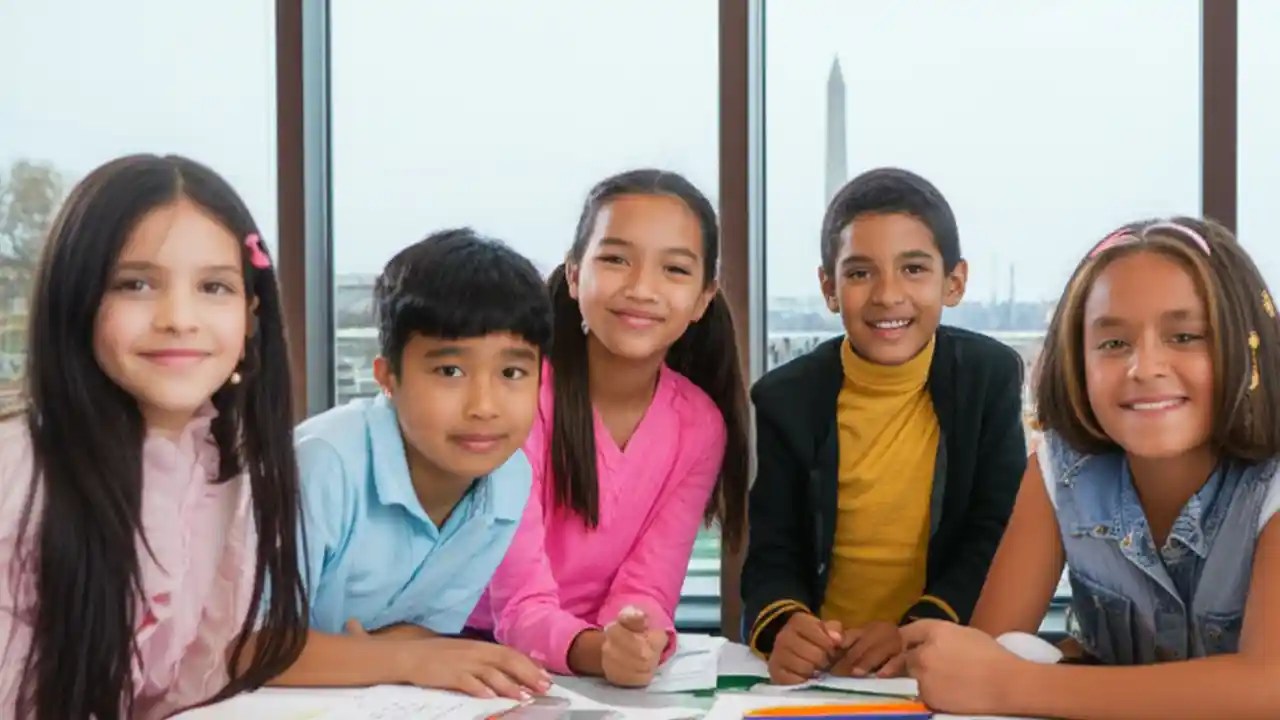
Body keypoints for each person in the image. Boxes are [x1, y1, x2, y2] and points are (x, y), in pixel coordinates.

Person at [902, 218, 1280, 720]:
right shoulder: (1060, 471)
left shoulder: (1270, 485)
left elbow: (1269, 686)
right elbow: (985, 658)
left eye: (1186, 336)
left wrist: (1021, 684)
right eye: (1113, 343)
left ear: (1249, 348)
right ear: (1076, 361)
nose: (1144, 367)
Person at [0, 154, 306, 719]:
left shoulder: (228, 474)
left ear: (251, 313)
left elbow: (184, 697)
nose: (179, 317)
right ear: (77, 301)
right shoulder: (18, 477)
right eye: (136, 283)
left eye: (214, 286)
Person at [743, 168, 1026, 684]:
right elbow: (772, 551)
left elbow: (994, 532)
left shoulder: (989, 378)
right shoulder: (787, 398)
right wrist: (785, 625)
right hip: (825, 667)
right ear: (829, 287)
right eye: (859, 273)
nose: (887, 294)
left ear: (954, 282)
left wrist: (917, 628)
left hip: (939, 651)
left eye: (914, 269)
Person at [471, 169, 750, 687]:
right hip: (470, 653)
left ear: (704, 298)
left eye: (675, 269)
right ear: (575, 275)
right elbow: (518, 607)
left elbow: (648, 586)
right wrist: (599, 652)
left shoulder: (700, 426)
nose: (642, 288)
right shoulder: (518, 396)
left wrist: (635, 638)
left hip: (589, 673)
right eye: (616, 259)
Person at [266, 229, 554, 700]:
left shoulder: (508, 479)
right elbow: (242, 646)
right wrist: (400, 658)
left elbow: (415, 633)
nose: (484, 406)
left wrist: (381, 654)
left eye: (512, 373)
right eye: (449, 371)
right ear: (388, 377)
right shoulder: (322, 466)